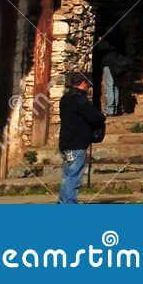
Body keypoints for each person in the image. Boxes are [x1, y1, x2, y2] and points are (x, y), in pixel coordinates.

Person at [57, 70, 105, 204]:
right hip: (76, 143)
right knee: (74, 176)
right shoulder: (79, 99)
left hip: (66, 142)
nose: (88, 88)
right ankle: (69, 203)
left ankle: (63, 202)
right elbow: (95, 116)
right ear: (83, 83)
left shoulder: (65, 98)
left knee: (67, 176)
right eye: (88, 85)